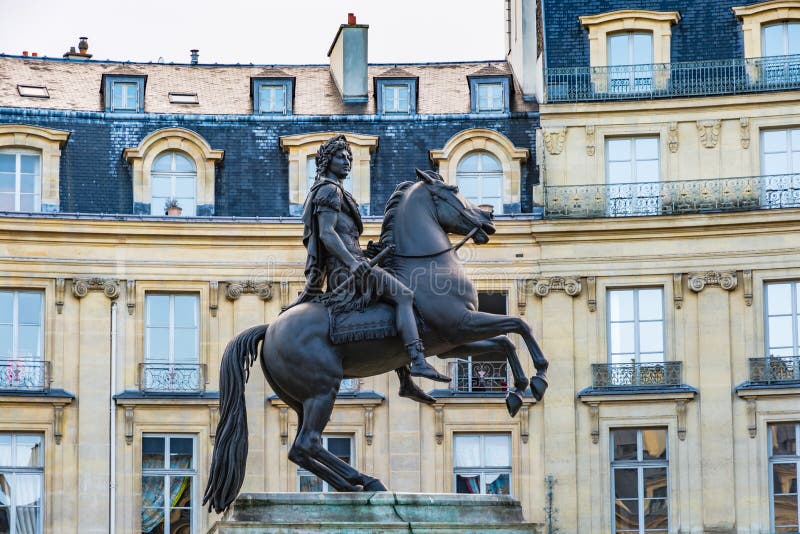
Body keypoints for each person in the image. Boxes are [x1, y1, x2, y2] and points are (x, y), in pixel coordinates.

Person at [292, 135, 449, 403]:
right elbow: (328, 235)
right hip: (346, 272)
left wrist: (365, 253)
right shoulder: (329, 190)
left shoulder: (336, 191)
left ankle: (405, 380)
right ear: (327, 161)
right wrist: (354, 262)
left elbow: (344, 238)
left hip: (354, 263)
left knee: (389, 307)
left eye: (350, 158)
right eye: (342, 157)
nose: (347, 162)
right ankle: (417, 360)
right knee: (404, 295)